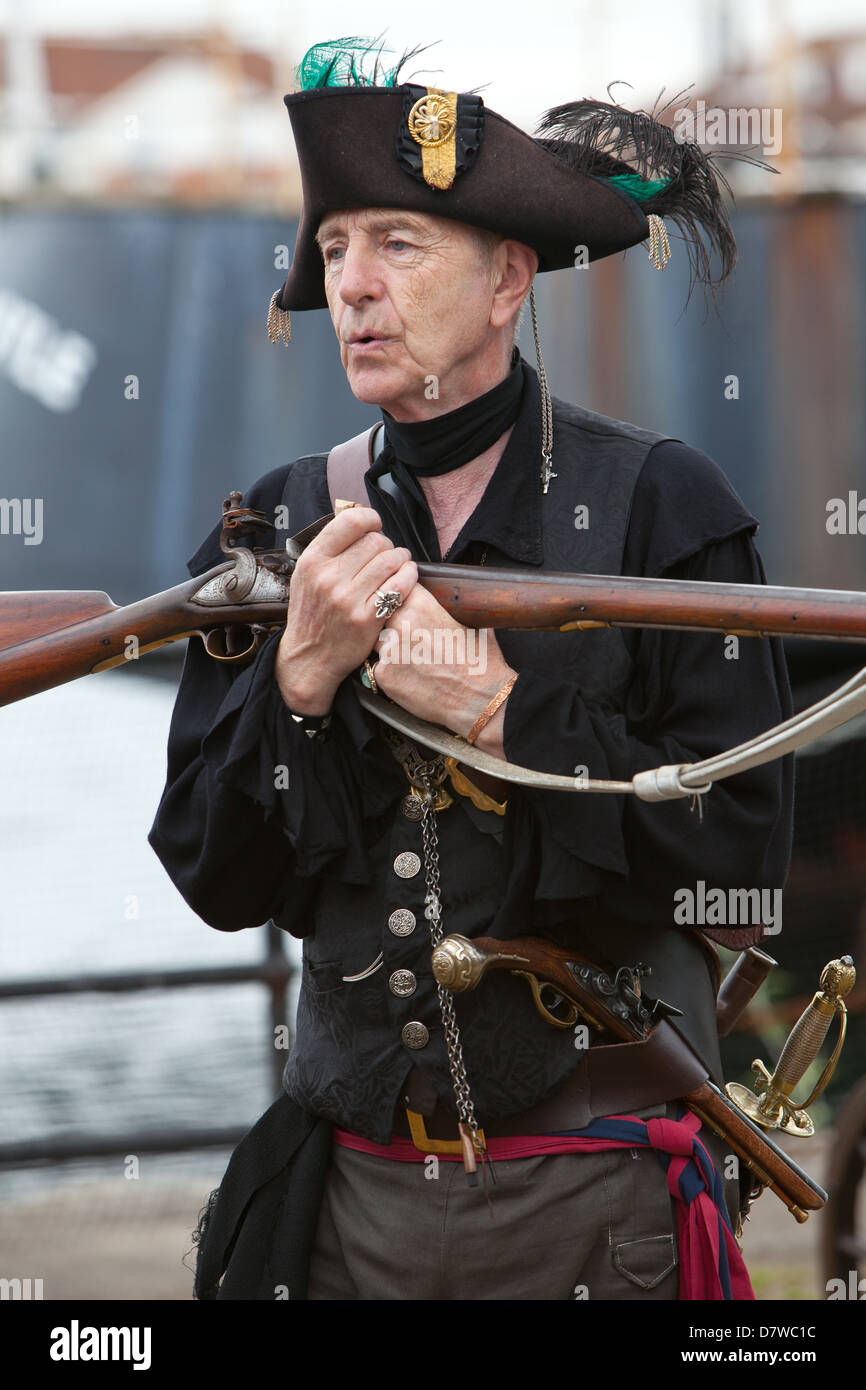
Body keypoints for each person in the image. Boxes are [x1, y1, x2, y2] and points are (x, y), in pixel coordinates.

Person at [149, 39, 793, 1301]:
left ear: (507, 278)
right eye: (333, 250)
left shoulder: (664, 505)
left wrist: (505, 713)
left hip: (591, 1195)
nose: (352, 288)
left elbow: (738, 853)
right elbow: (216, 879)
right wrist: (298, 685)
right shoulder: (275, 526)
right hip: (348, 1202)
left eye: (396, 243)